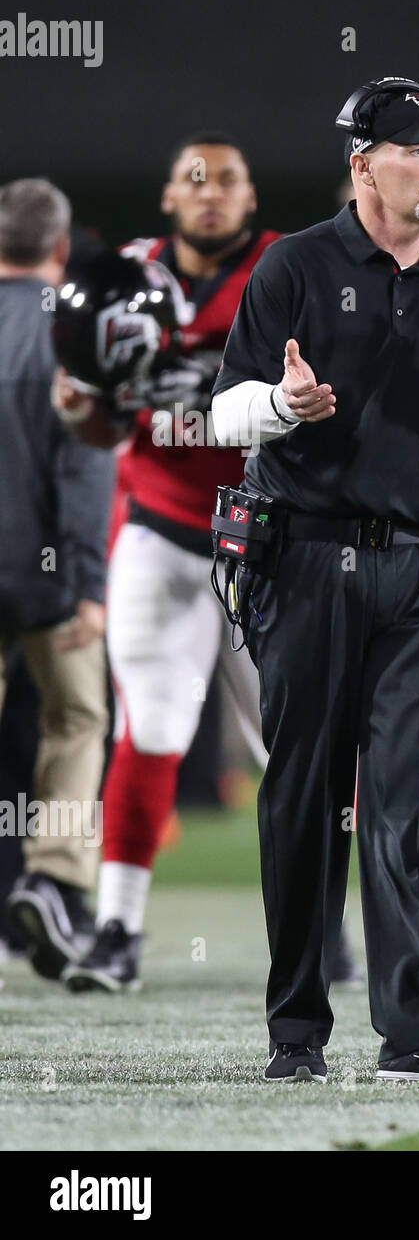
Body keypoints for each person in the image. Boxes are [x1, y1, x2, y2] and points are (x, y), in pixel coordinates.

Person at [210, 78, 419, 1082]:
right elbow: (219, 416)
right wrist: (282, 400)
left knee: (415, 805)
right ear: (363, 163)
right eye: (418, 148)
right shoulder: (294, 266)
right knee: (305, 799)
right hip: (309, 558)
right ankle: (295, 1034)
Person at [48, 134, 316, 994]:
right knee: (152, 726)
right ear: (167, 196)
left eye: (226, 180)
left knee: (294, 747)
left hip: (269, 541)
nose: (208, 195)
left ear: (250, 195)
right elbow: (97, 427)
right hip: (161, 528)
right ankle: (119, 927)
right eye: (192, 181)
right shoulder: (119, 276)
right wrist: (87, 400)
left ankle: (314, 927)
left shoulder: (289, 271)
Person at [0, 179, 115, 980]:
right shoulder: (71, 331)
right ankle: (53, 875)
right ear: (62, 248)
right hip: (44, 569)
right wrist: (87, 582)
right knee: (76, 718)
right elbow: (84, 463)